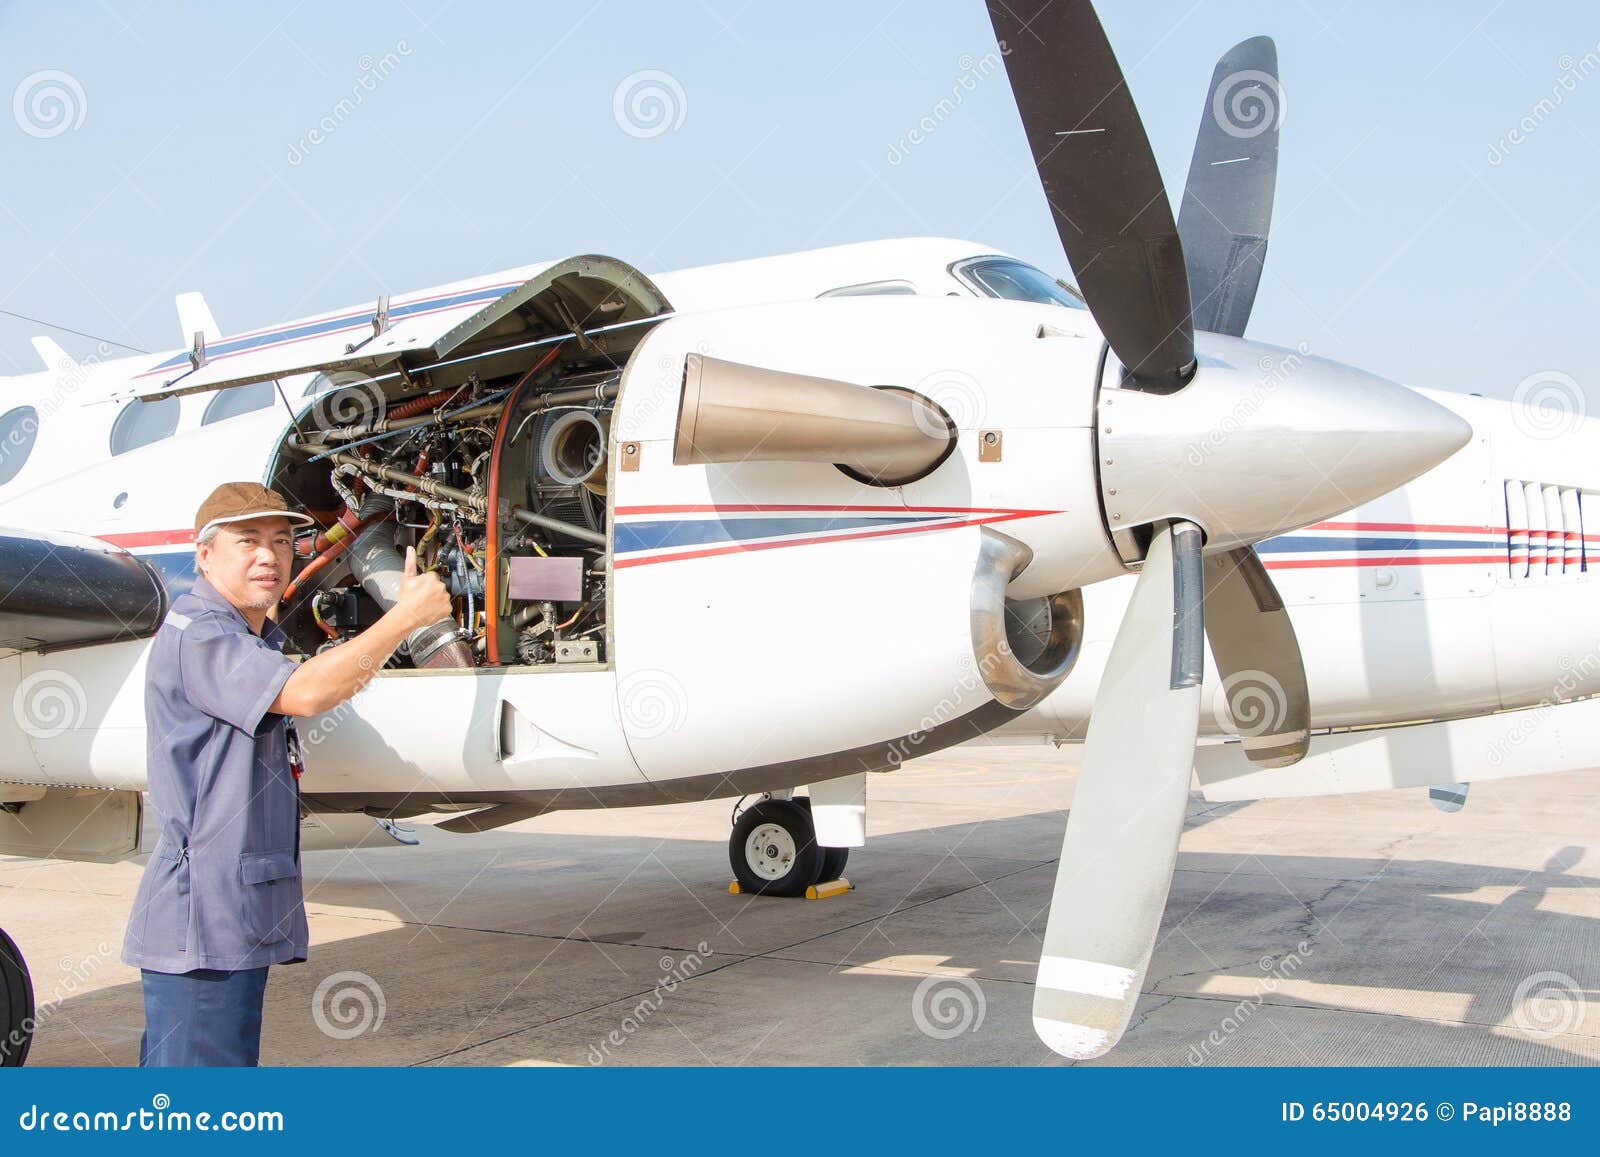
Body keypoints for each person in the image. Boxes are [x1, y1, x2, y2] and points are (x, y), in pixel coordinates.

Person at [121, 481, 450, 1066]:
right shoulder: (202, 632)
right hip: (203, 925)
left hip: (229, 920)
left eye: (282, 540)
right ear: (204, 555)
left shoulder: (249, 639)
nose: (269, 556)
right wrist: (405, 620)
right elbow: (308, 691)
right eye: (247, 540)